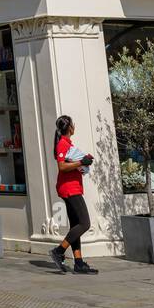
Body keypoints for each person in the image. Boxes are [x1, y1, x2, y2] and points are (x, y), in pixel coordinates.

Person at [50, 115, 99, 275]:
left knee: (75, 225)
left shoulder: (67, 144)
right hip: (69, 189)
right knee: (85, 224)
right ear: (69, 127)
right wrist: (81, 163)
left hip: (72, 187)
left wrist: (82, 163)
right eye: (73, 123)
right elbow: (62, 167)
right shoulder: (62, 145)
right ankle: (59, 251)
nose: (75, 125)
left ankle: (78, 263)